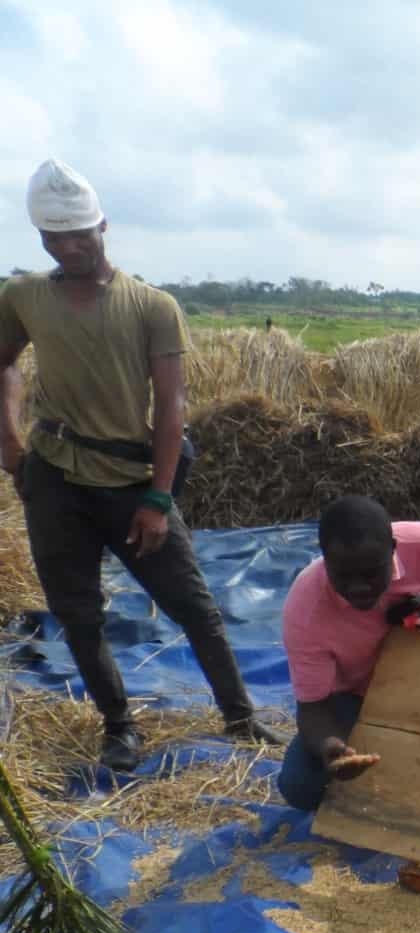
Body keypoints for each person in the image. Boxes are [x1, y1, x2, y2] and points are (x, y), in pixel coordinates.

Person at [0, 159, 284, 771]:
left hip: (131, 484)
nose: (69, 247)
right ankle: (118, 726)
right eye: (54, 237)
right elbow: (4, 362)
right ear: (40, 237)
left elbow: (172, 405)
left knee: (194, 606)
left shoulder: (151, 306)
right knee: (78, 614)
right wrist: (11, 443)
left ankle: (239, 714)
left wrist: (159, 499)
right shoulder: (23, 297)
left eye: (80, 233)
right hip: (52, 478)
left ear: (103, 225)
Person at [277, 495, 420, 813]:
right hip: (358, 694)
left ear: (394, 549)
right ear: (325, 560)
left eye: (371, 574)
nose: (358, 588)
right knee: (299, 786)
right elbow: (312, 708)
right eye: (343, 576)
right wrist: (331, 748)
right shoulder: (305, 611)